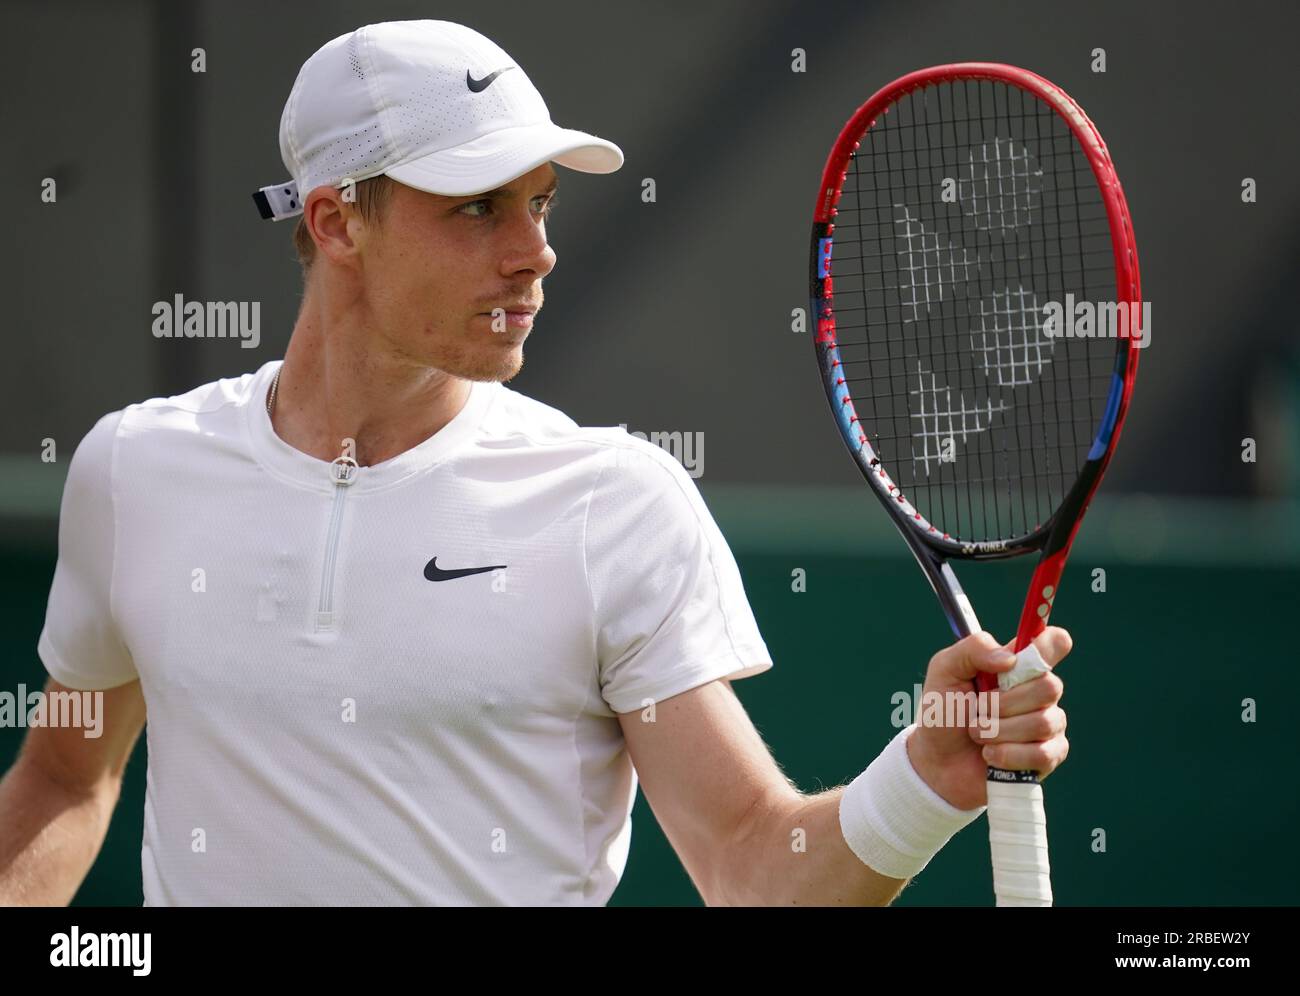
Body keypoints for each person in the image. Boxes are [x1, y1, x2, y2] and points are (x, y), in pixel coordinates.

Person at [0, 19, 1070, 906]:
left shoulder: (615, 502)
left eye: (541, 201)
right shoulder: (135, 471)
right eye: (477, 207)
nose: (534, 249)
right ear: (335, 222)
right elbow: (62, 775)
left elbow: (751, 864)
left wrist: (923, 778)